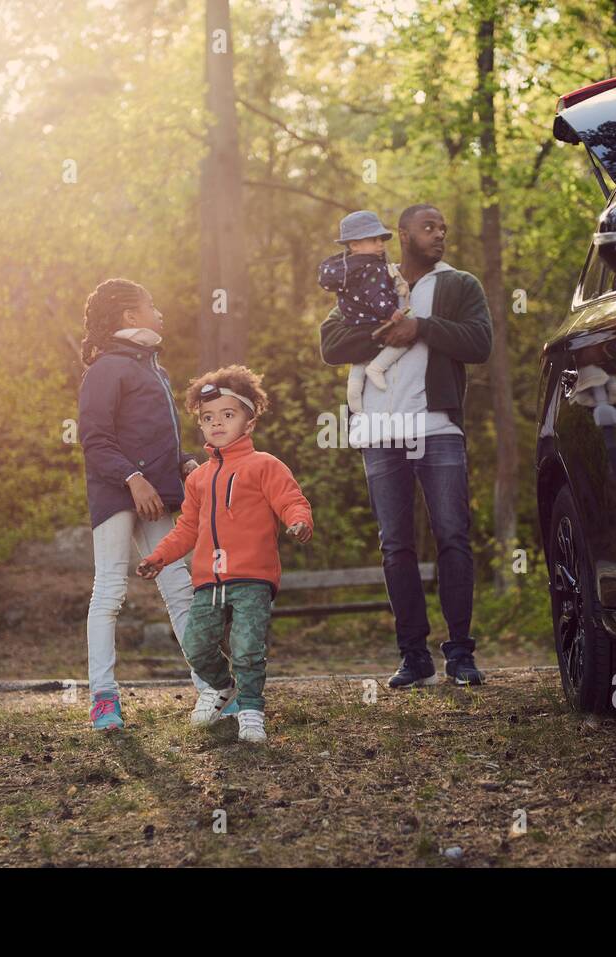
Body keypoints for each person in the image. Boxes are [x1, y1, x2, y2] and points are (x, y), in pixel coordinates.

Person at [319, 204, 492, 688]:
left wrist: (421, 328)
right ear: (402, 235)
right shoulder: (369, 276)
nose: (439, 235)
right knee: (396, 546)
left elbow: (479, 343)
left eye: (444, 228)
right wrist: (383, 331)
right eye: (429, 227)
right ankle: (413, 656)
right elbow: (330, 344)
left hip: (436, 428)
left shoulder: (459, 285)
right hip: (377, 431)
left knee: (453, 536)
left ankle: (460, 652)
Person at [76, 278, 229, 730]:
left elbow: (158, 439)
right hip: (116, 492)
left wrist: (182, 463)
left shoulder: (155, 370)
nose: (159, 313)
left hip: (155, 496)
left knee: (180, 588)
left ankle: (211, 689)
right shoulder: (105, 369)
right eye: (151, 305)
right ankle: (104, 699)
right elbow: (95, 439)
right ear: (129, 316)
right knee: (109, 591)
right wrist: (133, 478)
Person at [137, 366, 313, 743]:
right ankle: (220, 687)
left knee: (248, 647)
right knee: (196, 644)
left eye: (227, 415)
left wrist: (298, 521)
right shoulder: (198, 479)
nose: (216, 424)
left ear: (248, 423)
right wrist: (159, 556)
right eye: (207, 418)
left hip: (252, 578)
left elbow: (291, 501)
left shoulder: (264, 465)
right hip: (208, 582)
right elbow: (187, 528)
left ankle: (251, 709)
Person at [317, 210, 412, 414]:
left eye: (381, 239)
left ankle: (357, 408)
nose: (380, 244)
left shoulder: (347, 270)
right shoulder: (374, 268)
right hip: (374, 322)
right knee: (406, 340)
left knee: (357, 368)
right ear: (354, 245)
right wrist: (391, 311)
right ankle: (377, 367)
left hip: (354, 325)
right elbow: (375, 295)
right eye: (373, 239)